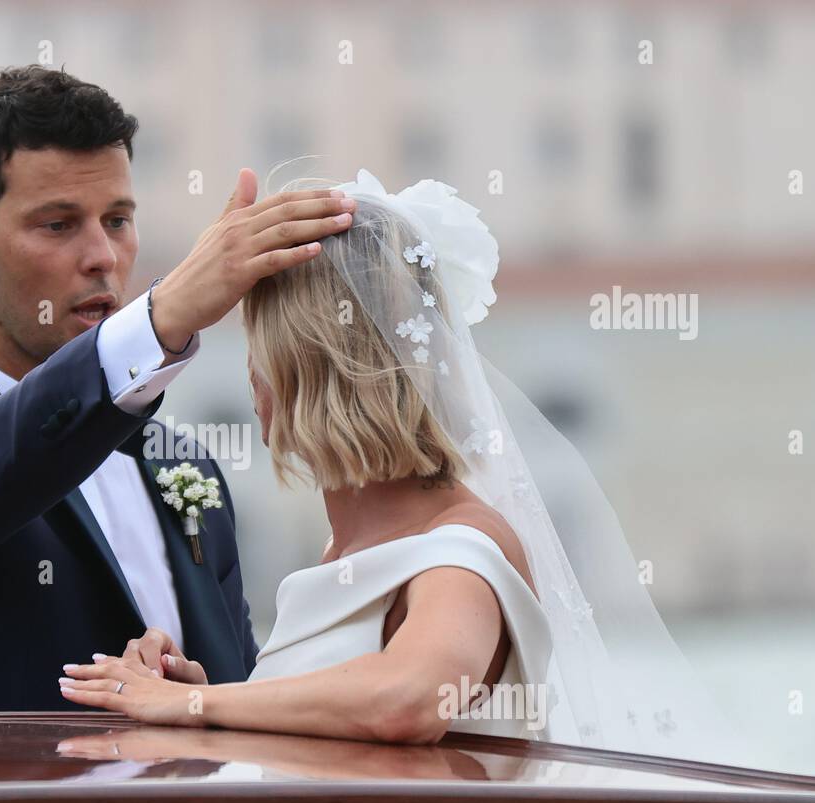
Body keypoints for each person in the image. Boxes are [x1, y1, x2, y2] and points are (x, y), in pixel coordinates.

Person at [61, 167, 761, 771]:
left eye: (259, 343)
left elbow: (412, 698)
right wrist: (209, 690)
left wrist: (194, 703)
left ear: (300, 370)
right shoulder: (348, 548)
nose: (250, 372)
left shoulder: (459, 551)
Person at [0, 66, 355, 714]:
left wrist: (204, 706)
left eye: (118, 220)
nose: (101, 255)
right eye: (58, 225)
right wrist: (159, 318)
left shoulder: (185, 465)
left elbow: (241, 697)